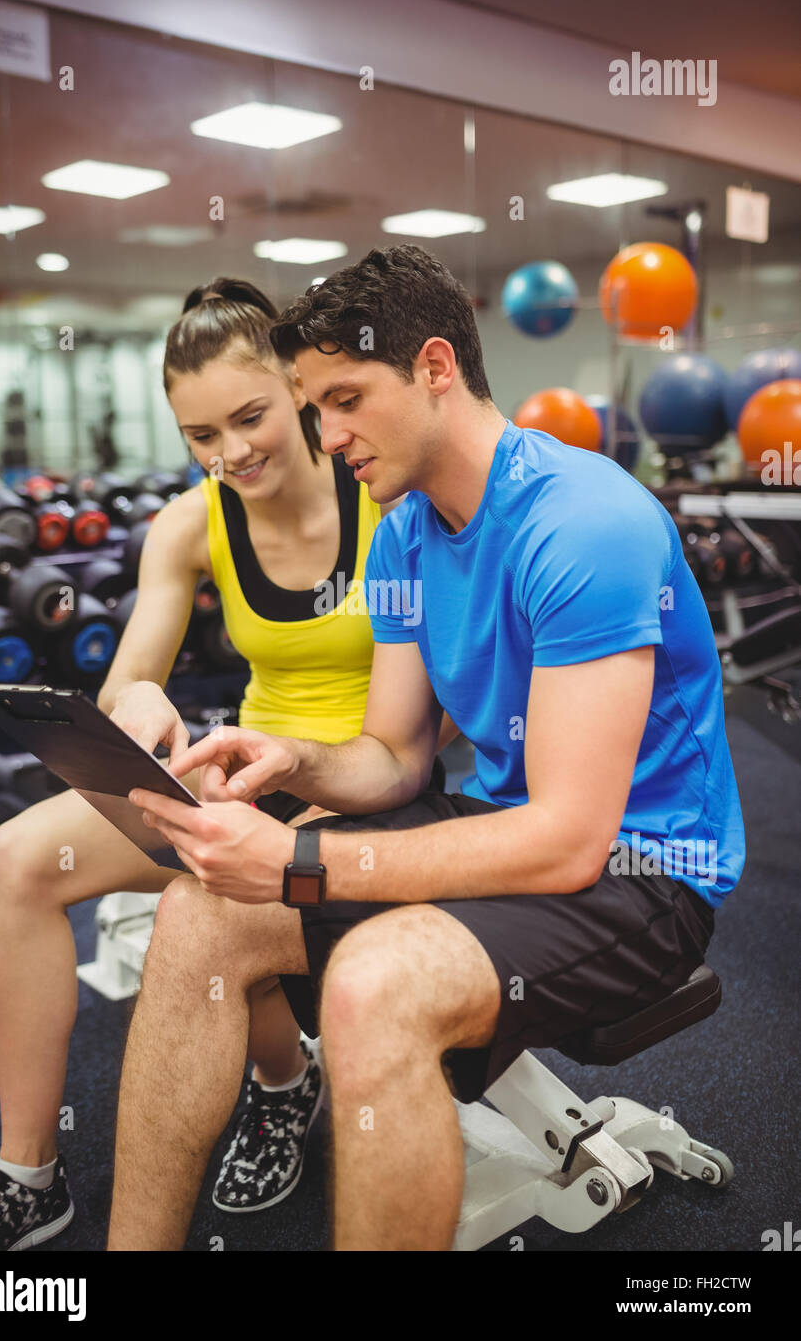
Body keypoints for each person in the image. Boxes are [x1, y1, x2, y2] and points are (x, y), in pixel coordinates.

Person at [106, 243, 745, 1252]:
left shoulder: (582, 523)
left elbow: (571, 841)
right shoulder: (401, 531)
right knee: (198, 916)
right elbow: (397, 759)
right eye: (312, 407)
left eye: (346, 398)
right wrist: (288, 761)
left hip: (644, 871)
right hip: (505, 823)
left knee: (373, 981)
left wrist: (301, 862)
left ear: (435, 367)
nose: (327, 434)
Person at [0, 276, 452, 1252]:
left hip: (362, 779)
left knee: (210, 893)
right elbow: (133, 672)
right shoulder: (190, 524)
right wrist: (142, 710)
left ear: (298, 390)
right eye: (201, 437)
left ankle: (277, 1084)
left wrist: (284, 778)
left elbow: (402, 738)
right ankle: (27, 1175)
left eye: (249, 417)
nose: (231, 454)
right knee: (11, 859)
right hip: (243, 770)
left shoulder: (384, 500)